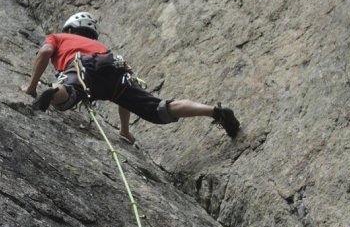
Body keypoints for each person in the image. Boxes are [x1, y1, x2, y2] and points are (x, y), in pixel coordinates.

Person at [22, 10, 239, 143]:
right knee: (159, 108)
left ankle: (54, 93)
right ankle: (215, 112)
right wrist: (124, 130)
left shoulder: (59, 37)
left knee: (69, 92)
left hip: (81, 66)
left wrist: (31, 87)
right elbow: (122, 98)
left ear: (70, 28)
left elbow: (44, 53)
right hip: (115, 67)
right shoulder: (100, 46)